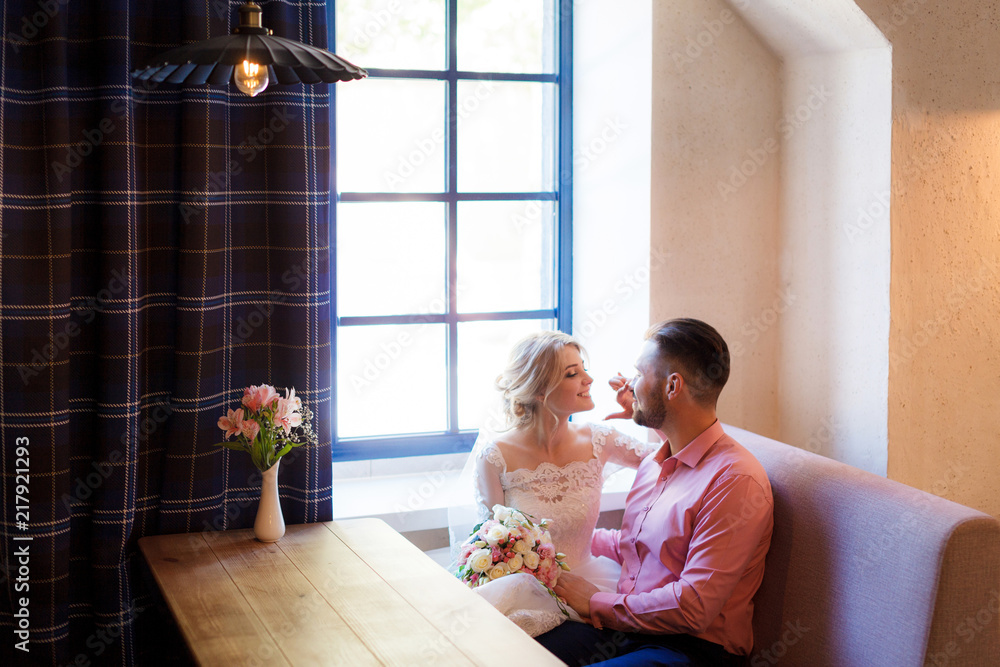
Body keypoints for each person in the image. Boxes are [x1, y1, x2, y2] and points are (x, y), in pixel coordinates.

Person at [538, 318, 774, 666]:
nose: (630, 384)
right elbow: (638, 547)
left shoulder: (735, 480)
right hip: (630, 632)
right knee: (517, 642)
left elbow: (693, 606)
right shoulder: (655, 463)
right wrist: (551, 542)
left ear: (672, 386)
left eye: (639, 374)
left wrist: (595, 602)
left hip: (692, 649)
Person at [457, 330, 654, 637]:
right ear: (538, 390)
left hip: (591, 583)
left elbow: (668, 461)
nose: (588, 379)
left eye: (584, 369)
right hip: (525, 591)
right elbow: (492, 540)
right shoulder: (495, 457)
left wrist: (640, 414)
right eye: (573, 373)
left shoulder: (599, 439)